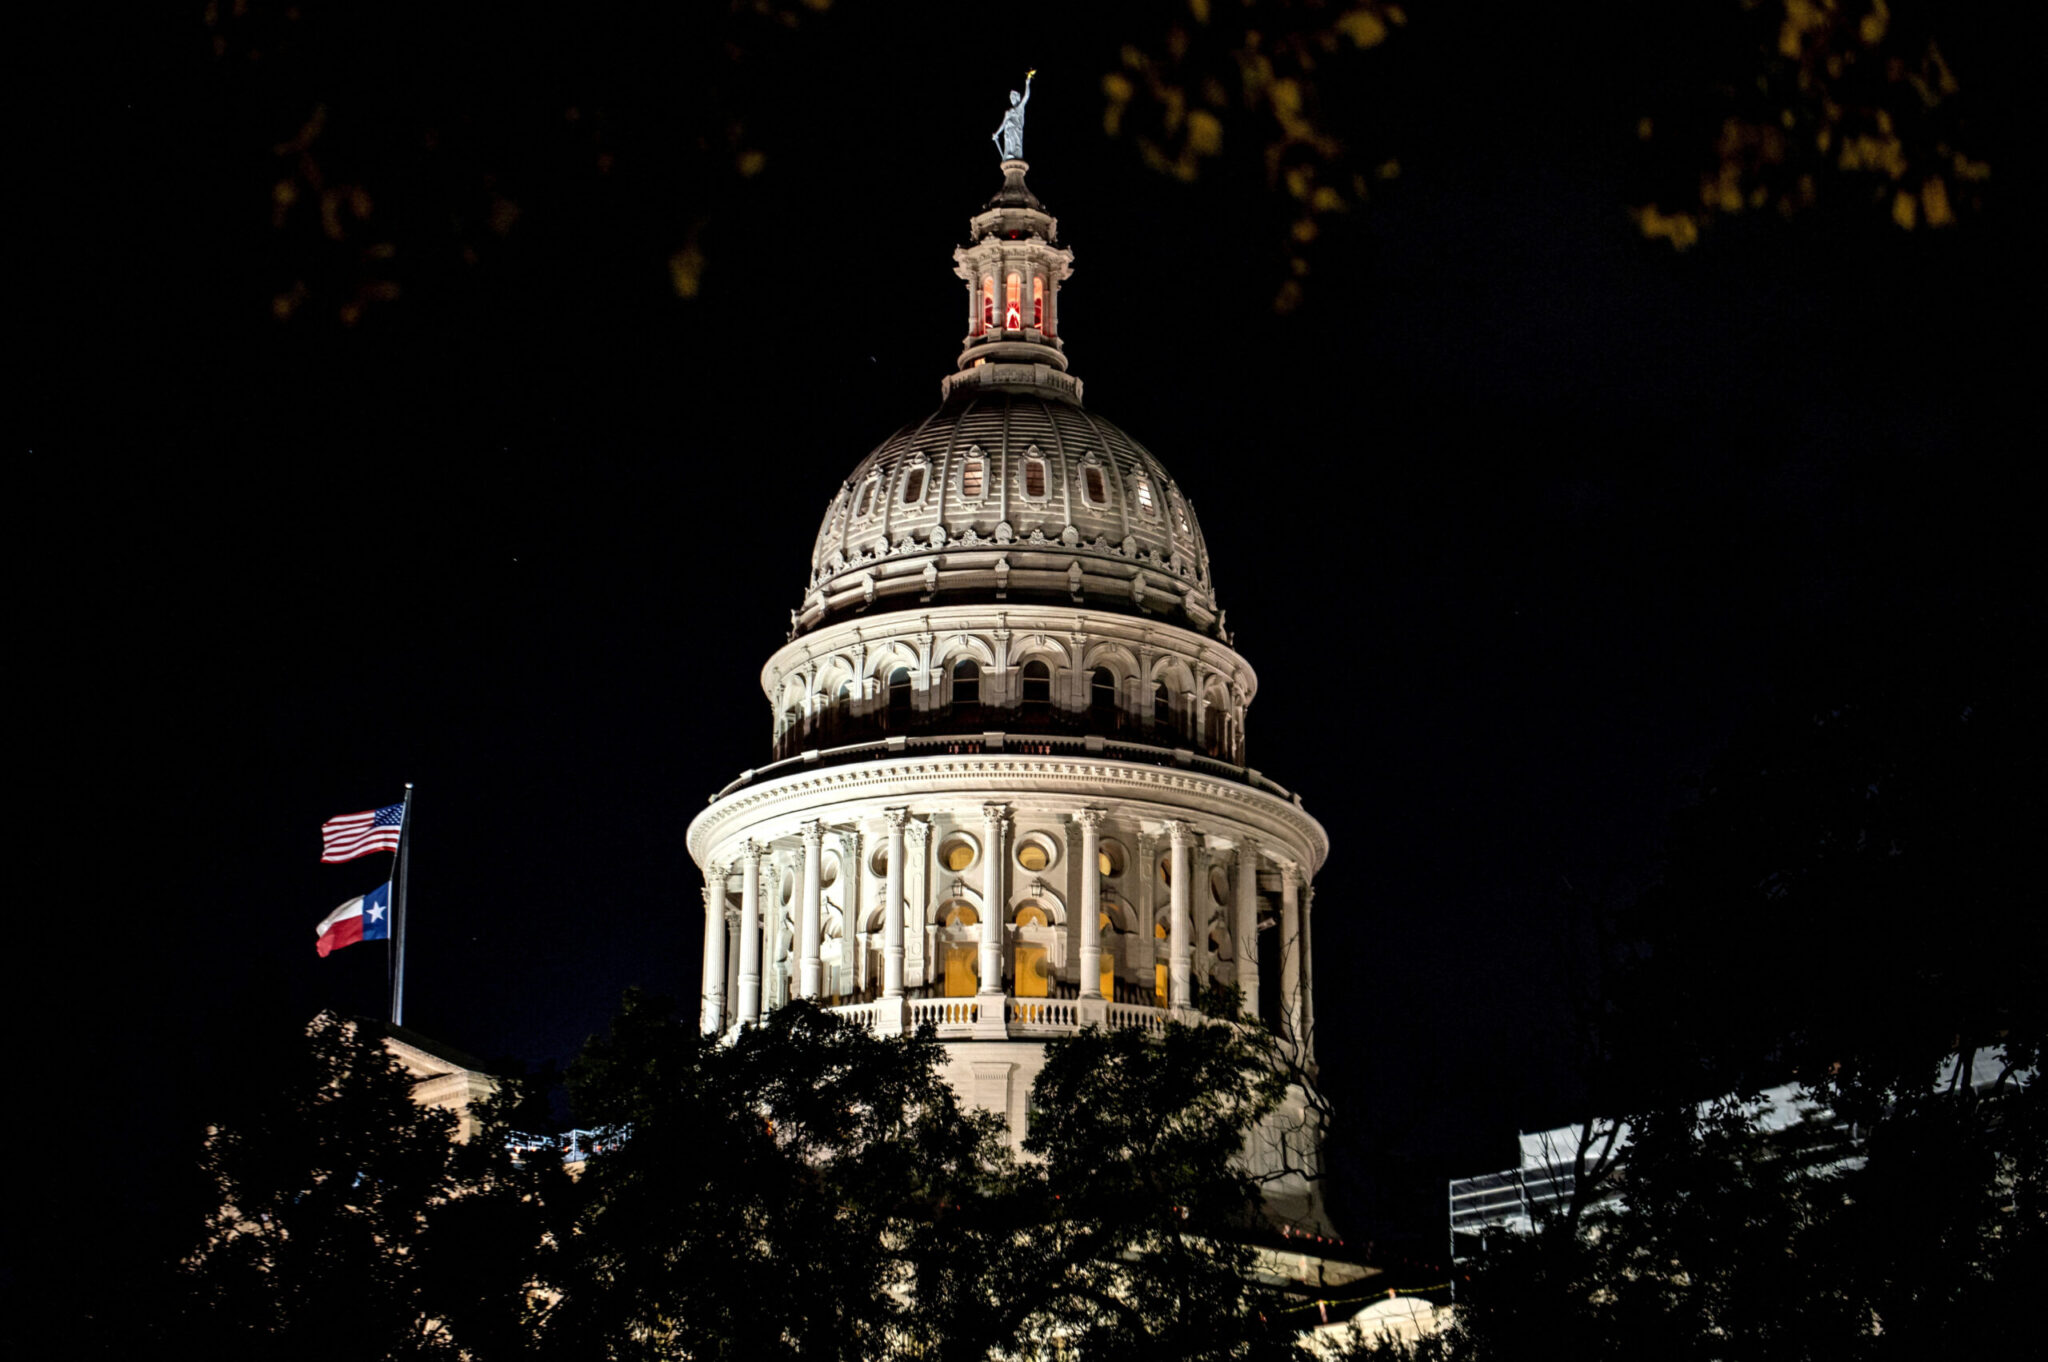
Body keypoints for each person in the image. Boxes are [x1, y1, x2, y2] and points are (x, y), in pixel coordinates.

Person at [992, 70, 1035, 160]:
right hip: (1008, 132)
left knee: (1013, 134)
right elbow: (1003, 124)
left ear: (1017, 97)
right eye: (1011, 98)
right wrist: (997, 133)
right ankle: (1009, 153)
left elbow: (1026, 96)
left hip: (1016, 132)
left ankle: (1014, 153)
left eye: (1013, 97)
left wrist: (1027, 84)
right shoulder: (1008, 112)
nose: (1012, 99)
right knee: (1008, 134)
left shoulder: (1020, 108)